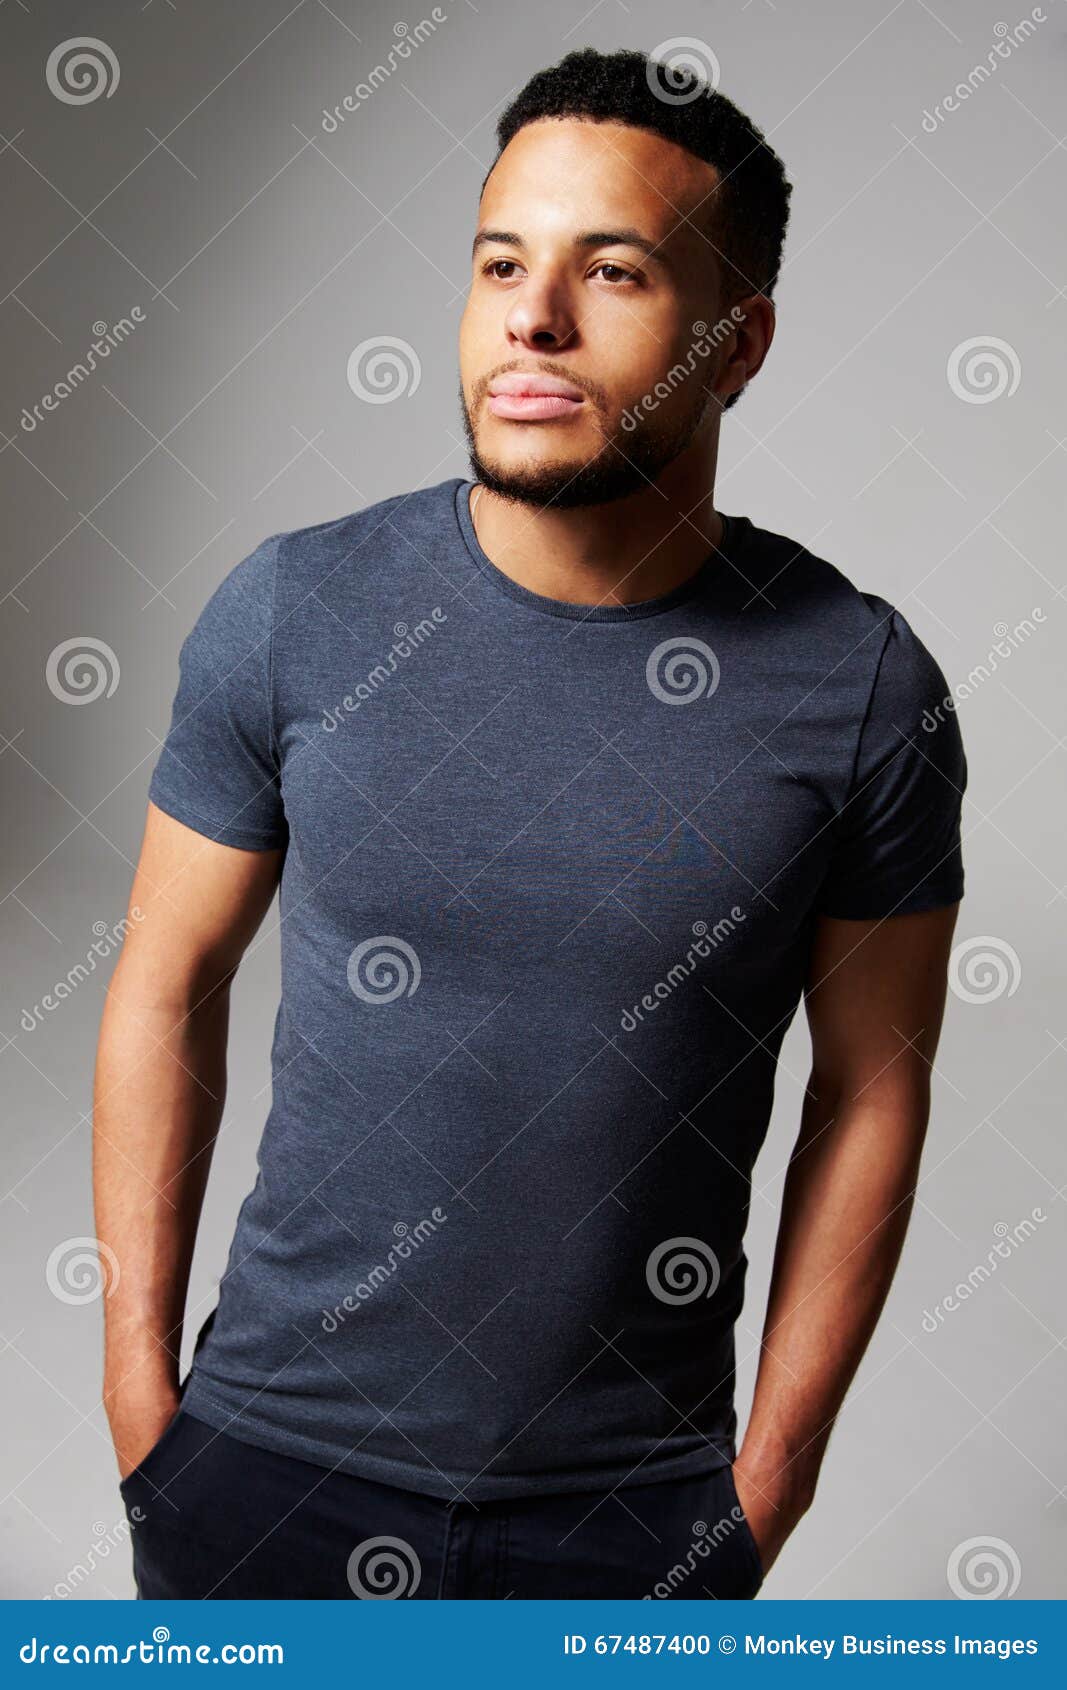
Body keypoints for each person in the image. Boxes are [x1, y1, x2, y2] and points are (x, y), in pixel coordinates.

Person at [94, 47, 966, 1600]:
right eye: (502, 262)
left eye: (612, 270)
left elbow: (872, 1090)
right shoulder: (294, 611)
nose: (533, 316)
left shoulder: (860, 685)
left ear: (738, 341)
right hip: (261, 1479)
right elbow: (164, 984)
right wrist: (143, 1411)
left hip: (628, 1521)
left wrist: (767, 1483)